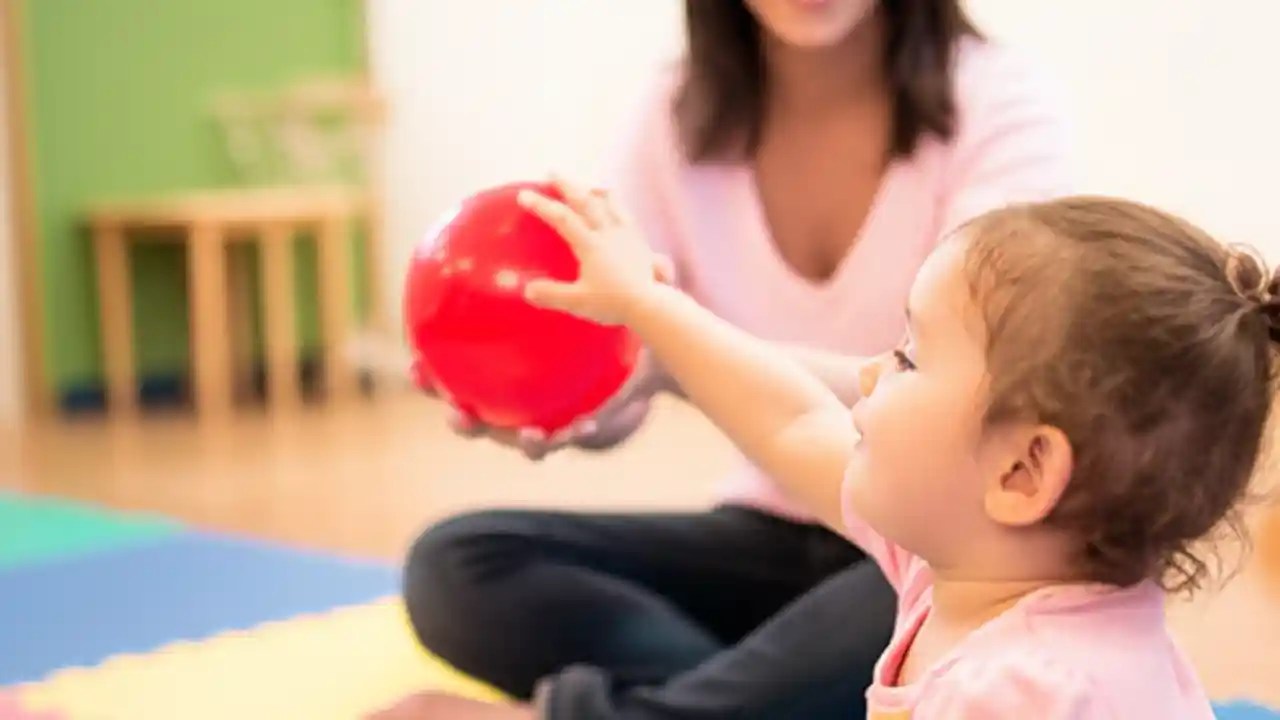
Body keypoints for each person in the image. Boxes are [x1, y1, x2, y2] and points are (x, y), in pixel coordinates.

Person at [380, 0, 1073, 718]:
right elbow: (636, 362)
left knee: (977, 595)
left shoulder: (999, 102)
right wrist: (578, 404)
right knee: (456, 565)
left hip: (925, 541)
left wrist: (679, 354)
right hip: (772, 528)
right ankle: (768, 699)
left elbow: (970, 394)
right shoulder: (672, 114)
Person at [510, 182, 1261, 717]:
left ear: (1022, 471)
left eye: (907, 356)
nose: (869, 370)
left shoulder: (1027, 691)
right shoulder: (966, 563)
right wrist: (647, 306)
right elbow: (791, 421)